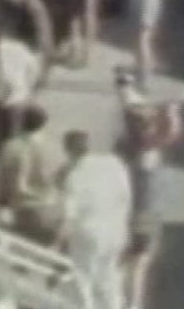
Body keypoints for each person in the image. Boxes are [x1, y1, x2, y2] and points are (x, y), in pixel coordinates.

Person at [117, 89, 184, 309]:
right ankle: (132, 305)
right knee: (140, 263)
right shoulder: (147, 154)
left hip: (122, 211)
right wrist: (172, 111)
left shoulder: (124, 145)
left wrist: (125, 87)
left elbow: (130, 103)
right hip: (144, 216)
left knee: (121, 259)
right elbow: (172, 133)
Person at [58, 129, 133, 309]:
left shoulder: (75, 176)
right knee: (109, 279)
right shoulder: (114, 164)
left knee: (82, 279)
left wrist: (57, 242)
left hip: (88, 233)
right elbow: (126, 197)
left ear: (68, 151)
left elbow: (70, 216)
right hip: (116, 231)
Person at [0, 105, 62, 245]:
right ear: (44, 124)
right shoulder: (54, 149)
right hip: (49, 209)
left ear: (21, 122)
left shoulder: (12, 146)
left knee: (20, 258)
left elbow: (1, 182)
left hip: (22, 211)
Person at [0, 0, 57, 85]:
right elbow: (0, 29)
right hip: (21, 42)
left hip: (34, 45)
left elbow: (45, 37)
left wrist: (44, 70)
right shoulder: (8, 5)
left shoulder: (33, 5)